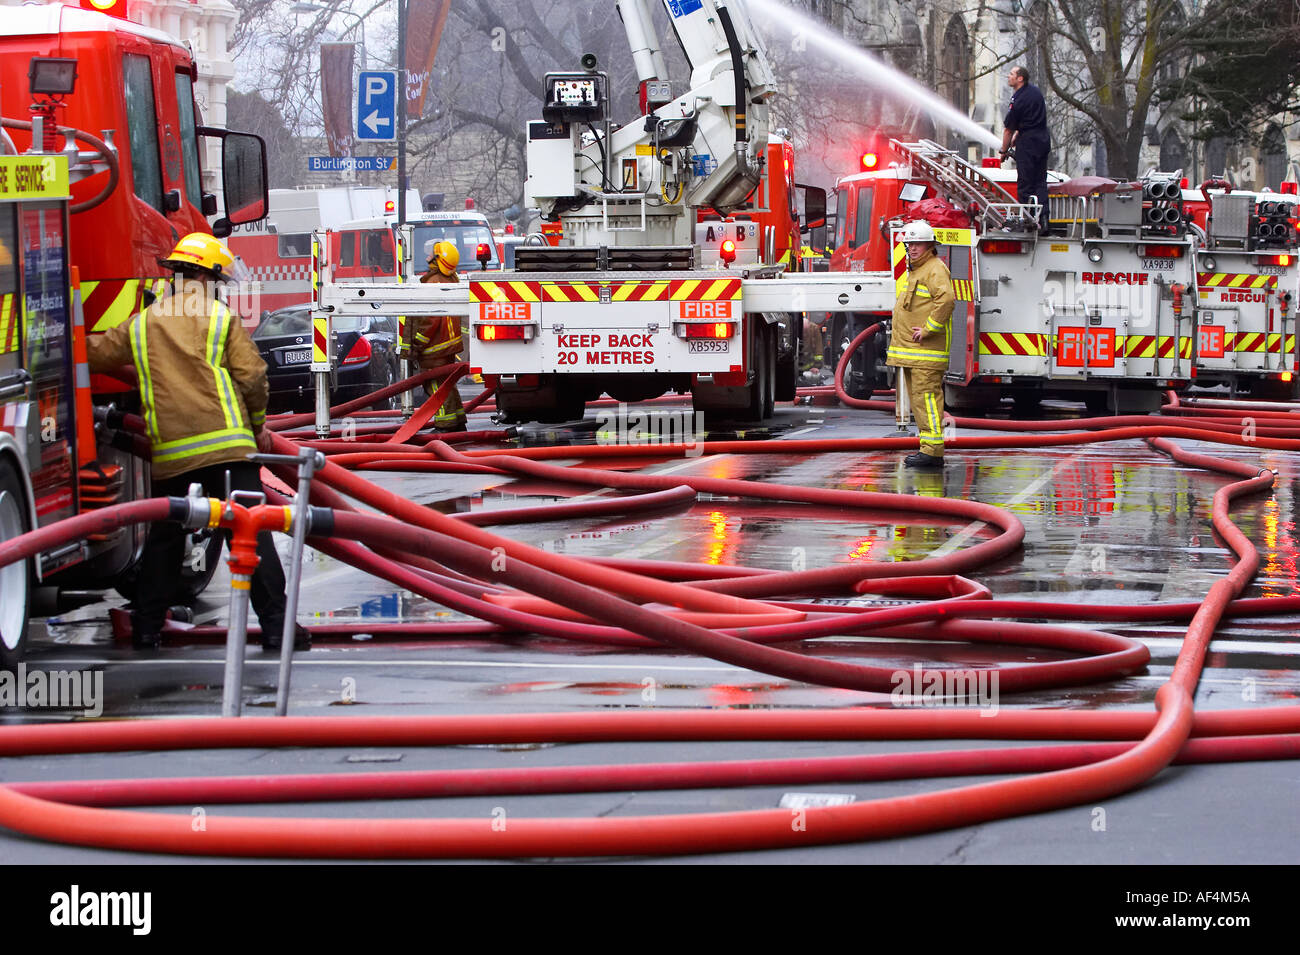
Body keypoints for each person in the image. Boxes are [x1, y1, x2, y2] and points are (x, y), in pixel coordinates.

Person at [89, 233, 308, 652]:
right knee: (250, 533)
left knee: (164, 540)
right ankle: (279, 631)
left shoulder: (144, 322)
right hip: (228, 449)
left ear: (177, 275)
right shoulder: (220, 317)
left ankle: (147, 629)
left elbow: (94, 353)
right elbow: (253, 378)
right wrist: (257, 424)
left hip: (171, 455)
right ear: (208, 277)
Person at [885, 220, 954, 469]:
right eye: (909, 244)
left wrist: (928, 330)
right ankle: (927, 447)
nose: (912, 248)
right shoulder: (916, 270)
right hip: (915, 352)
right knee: (920, 400)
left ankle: (933, 451)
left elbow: (946, 301)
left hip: (927, 352)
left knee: (927, 399)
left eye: (918, 244)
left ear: (929, 246)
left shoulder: (934, 269)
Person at [411, 240, 467, 431]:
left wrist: (417, 343)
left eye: (431, 254)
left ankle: (445, 424)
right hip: (448, 346)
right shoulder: (452, 279)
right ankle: (457, 420)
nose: (427, 257)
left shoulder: (433, 282)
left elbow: (430, 319)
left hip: (434, 347)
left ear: (437, 260)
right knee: (447, 384)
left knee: (435, 386)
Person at [1001, 65, 1051, 231]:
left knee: (1025, 185)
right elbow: (1031, 120)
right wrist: (1019, 133)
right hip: (1042, 141)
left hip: (1028, 145)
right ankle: (1044, 220)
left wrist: (1003, 151)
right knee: (1040, 182)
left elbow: (1008, 129)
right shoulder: (1035, 92)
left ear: (1020, 78)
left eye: (1012, 74)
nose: (1009, 76)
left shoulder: (1018, 99)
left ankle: (1028, 222)